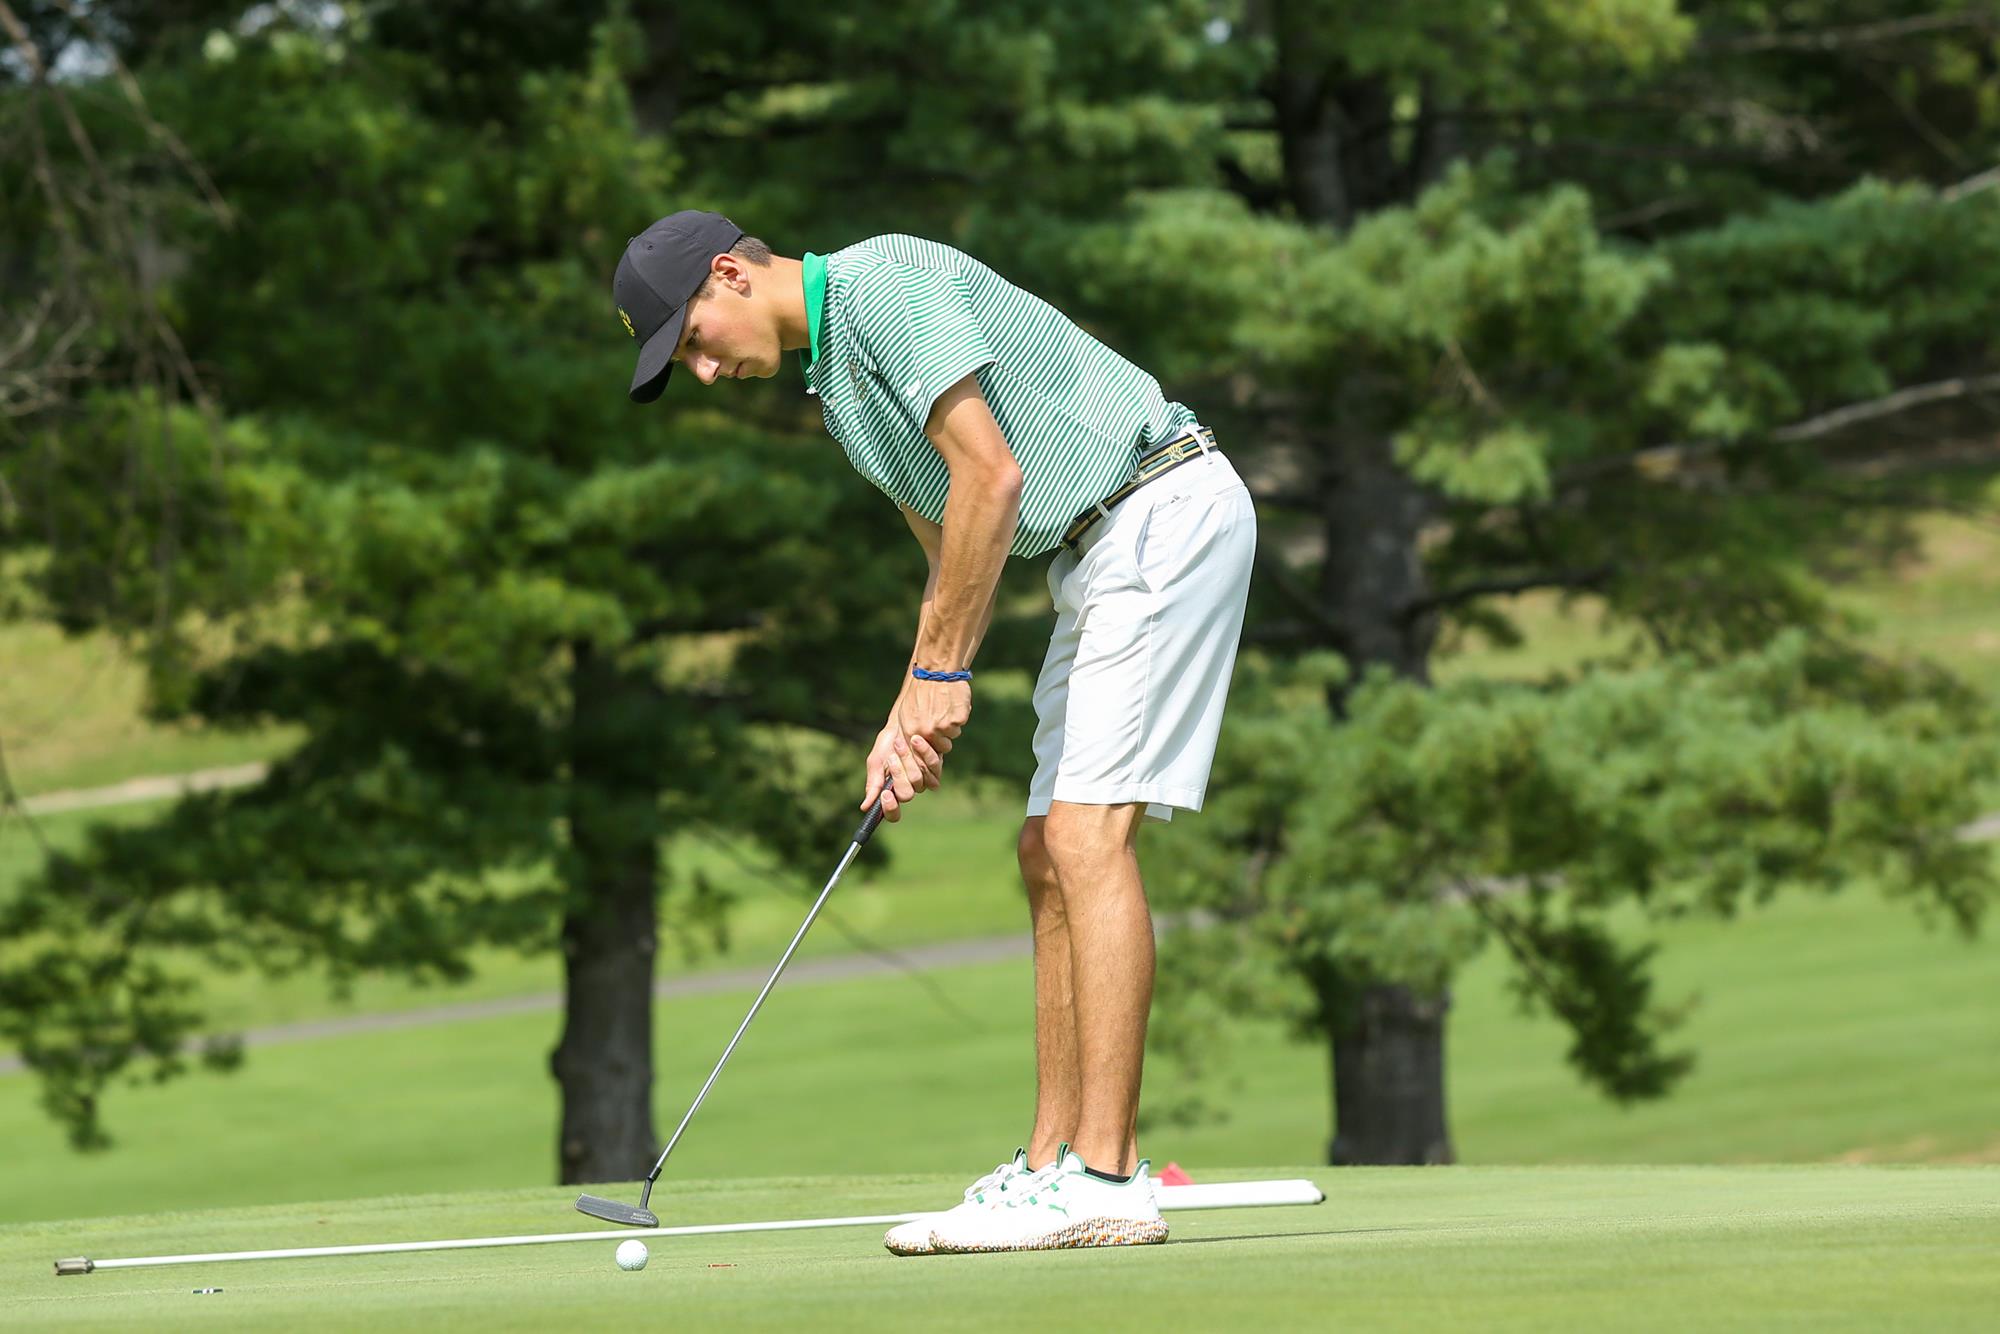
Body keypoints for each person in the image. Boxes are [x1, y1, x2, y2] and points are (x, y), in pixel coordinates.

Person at [612, 210, 1256, 1254]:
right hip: (1099, 553)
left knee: (1089, 837)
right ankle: (1052, 1164)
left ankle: (1106, 1176)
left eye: (689, 339)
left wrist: (940, 671)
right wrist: (904, 715)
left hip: (1159, 510)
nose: (703, 371)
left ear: (729, 274)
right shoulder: (841, 395)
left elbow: (992, 478)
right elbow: (957, 551)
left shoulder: (884, 283)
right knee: (1044, 846)